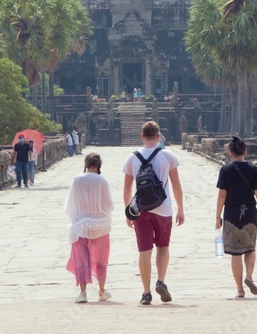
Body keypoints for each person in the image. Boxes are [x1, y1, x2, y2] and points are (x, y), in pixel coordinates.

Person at [123, 121, 184, 306]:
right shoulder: (168, 156)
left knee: (144, 251)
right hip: (163, 209)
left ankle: (146, 293)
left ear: (141, 136)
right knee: (163, 247)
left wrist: (128, 211)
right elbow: (176, 185)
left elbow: (127, 189)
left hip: (141, 211)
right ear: (158, 137)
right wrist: (180, 208)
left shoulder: (132, 158)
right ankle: (161, 281)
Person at [215, 136, 257, 299]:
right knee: (250, 247)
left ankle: (240, 289)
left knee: (235, 253)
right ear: (245, 151)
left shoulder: (225, 170)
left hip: (231, 213)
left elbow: (222, 194)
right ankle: (249, 276)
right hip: (250, 213)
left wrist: (217, 216)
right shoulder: (253, 169)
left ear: (230, 153)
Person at [64, 153, 113, 303]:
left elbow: (70, 205)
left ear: (86, 164)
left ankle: (83, 292)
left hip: (80, 225)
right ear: (98, 165)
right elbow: (109, 205)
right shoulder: (102, 181)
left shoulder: (77, 180)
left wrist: (78, 217)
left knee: (81, 259)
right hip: (100, 225)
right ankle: (102, 290)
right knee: (101, 258)